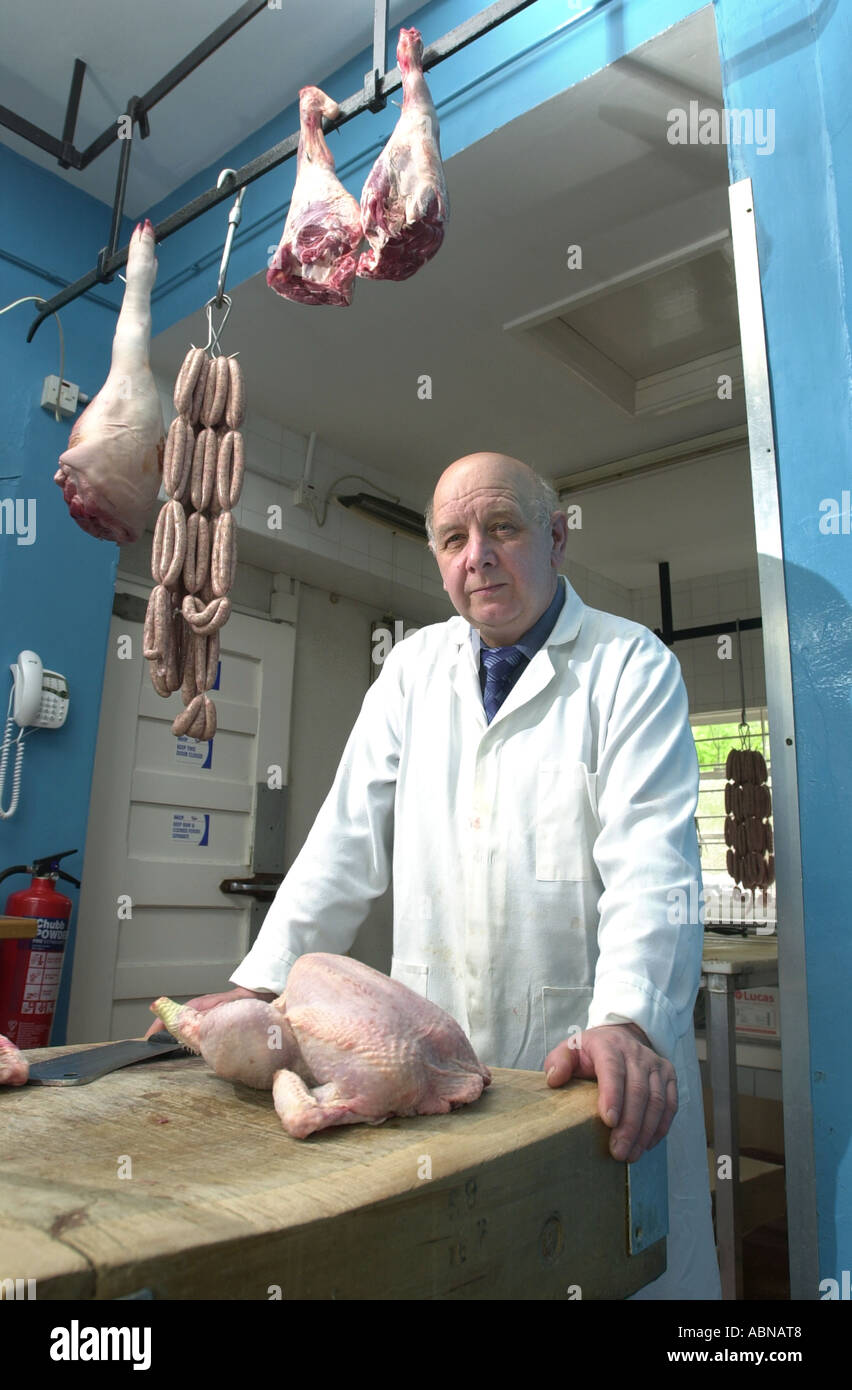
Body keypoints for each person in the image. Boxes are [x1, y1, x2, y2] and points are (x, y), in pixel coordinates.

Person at [149, 451, 720, 1300]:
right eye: (454, 538)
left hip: (587, 1064)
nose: (477, 555)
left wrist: (630, 1022)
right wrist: (259, 990)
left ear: (557, 539)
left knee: (604, 1275)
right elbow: (342, 843)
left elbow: (652, 861)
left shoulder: (630, 666)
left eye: (503, 529)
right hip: (425, 1076)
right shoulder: (412, 671)